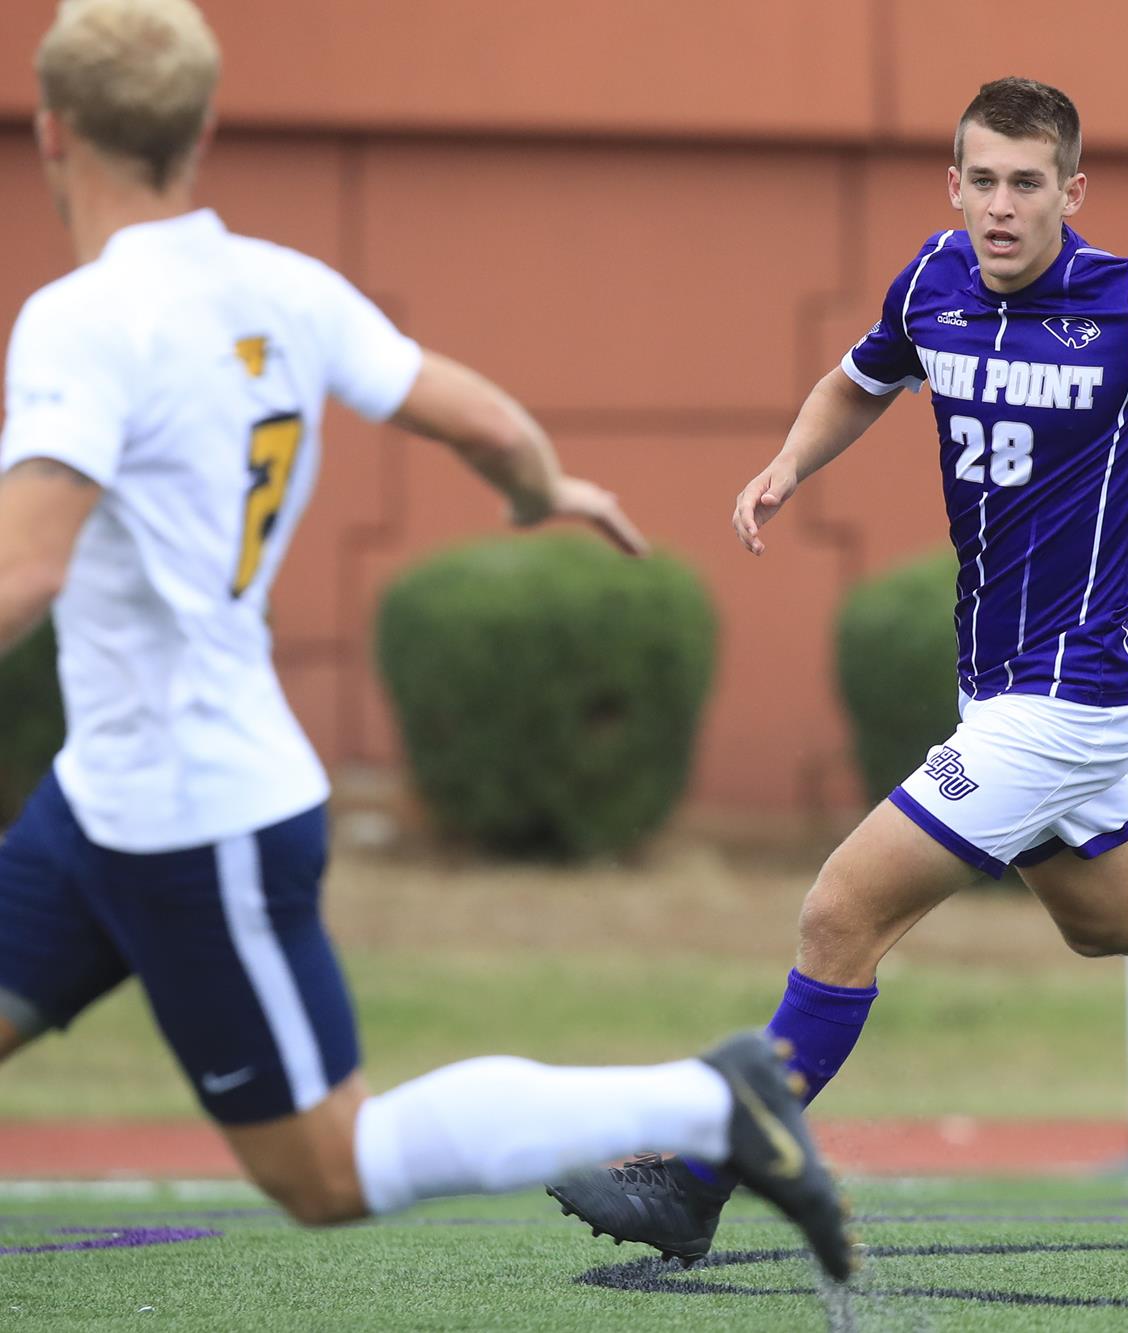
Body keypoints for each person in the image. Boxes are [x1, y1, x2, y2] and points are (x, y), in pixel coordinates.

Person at [0, 0, 853, 1282]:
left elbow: (25, 569)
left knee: (327, 1169)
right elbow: (485, 421)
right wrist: (540, 491)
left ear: (53, 130)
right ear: (203, 127)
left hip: (196, 813)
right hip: (102, 801)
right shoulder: (283, 287)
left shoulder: (82, 317)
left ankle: (702, 1099)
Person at [548, 75, 1128, 1261]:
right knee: (1115, 916)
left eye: (1027, 183)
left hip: (1066, 697)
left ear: (1073, 191)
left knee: (839, 911)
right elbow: (856, 380)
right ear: (953, 187)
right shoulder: (931, 279)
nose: (1002, 206)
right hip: (1005, 686)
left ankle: (697, 1183)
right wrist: (789, 463)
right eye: (982, 181)